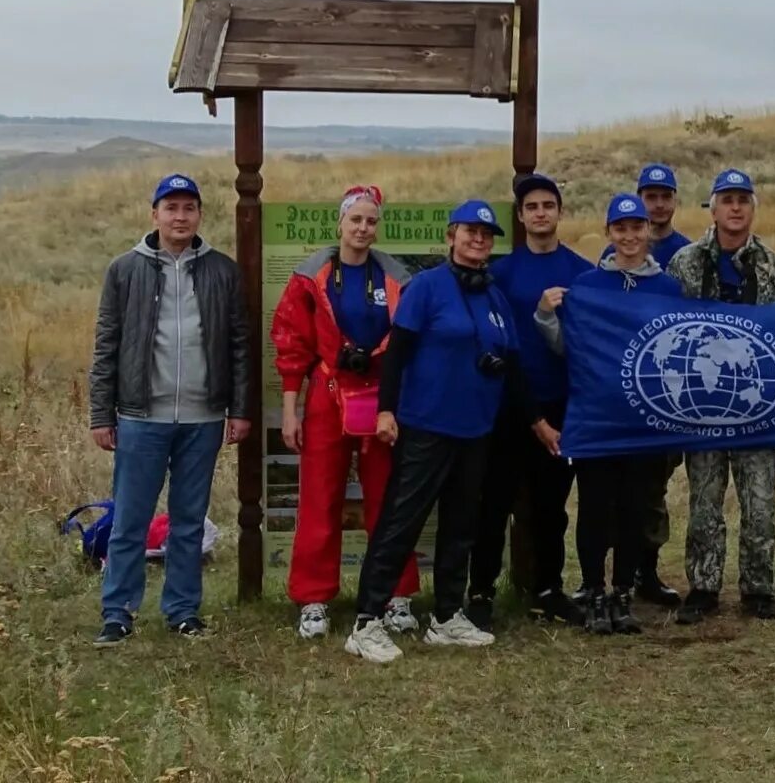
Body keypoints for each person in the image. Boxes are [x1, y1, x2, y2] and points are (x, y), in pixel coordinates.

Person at [345, 200, 553, 664]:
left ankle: (446, 616)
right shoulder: (426, 288)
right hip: (425, 426)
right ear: (451, 236)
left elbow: (513, 365)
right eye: (469, 232)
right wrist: (386, 412)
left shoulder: (494, 295)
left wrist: (537, 420)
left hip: (475, 428)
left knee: (462, 526)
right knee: (402, 523)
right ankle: (367, 622)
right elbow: (397, 353)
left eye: (486, 234)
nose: (478, 240)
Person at [87, 173, 252, 646]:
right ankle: (117, 612)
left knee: (188, 519)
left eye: (189, 208)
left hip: (203, 418)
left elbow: (239, 345)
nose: (180, 217)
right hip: (141, 418)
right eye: (171, 207)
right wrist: (102, 414)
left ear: (200, 215)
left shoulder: (222, 270)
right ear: (154, 213)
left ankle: (182, 610)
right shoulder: (124, 270)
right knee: (130, 520)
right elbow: (106, 347)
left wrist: (239, 409)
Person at [270, 185, 419, 640]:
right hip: (326, 393)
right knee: (320, 496)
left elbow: (410, 341)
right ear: (340, 223)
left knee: (388, 498)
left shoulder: (396, 277)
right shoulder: (310, 275)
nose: (363, 228)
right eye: (355, 219)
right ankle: (313, 599)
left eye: (371, 221)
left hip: (381, 396)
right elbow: (291, 345)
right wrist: (290, 412)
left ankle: (396, 594)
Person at [536, 193, 685, 634]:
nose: (629, 236)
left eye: (636, 228)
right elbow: (566, 347)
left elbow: (681, 352)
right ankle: (595, 592)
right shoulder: (588, 287)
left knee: (636, 508)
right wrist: (545, 315)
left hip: (645, 419)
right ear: (609, 233)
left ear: (647, 232)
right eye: (620, 229)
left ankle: (623, 593)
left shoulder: (667, 289)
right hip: (597, 417)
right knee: (595, 508)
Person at [666, 168, 775, 623]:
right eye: (727, 199)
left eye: (744, 199)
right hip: (702, 406)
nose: (736, 207)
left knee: (759, 502)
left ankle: (758, 589)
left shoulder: (773, 266)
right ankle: (702, 587)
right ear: (713, 208)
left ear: (753, 207)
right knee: (704, 502)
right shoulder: (684, 264)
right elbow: (667, 329)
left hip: (755, 408)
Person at [469, 174, 587, 630]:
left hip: (559, 406)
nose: (541, 213)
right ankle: (480, 591)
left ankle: (547, 590)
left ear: (559, 212)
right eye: (532, 207)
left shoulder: (581, 272)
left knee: (551, 506)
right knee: (494, 502)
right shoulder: (501, 273)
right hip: (506, 406)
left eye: (548, 205)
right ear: (520, 216)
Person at [598, 163, 689, 605]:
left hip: (661, 397)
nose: (657, 204)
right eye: (649, 196)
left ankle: (645, 572)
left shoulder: (686, 257)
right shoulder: (603, 267)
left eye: (663, 195)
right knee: (614, 493)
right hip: (614, 399)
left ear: (674, 200)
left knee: (651, 490)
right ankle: (613, 580)